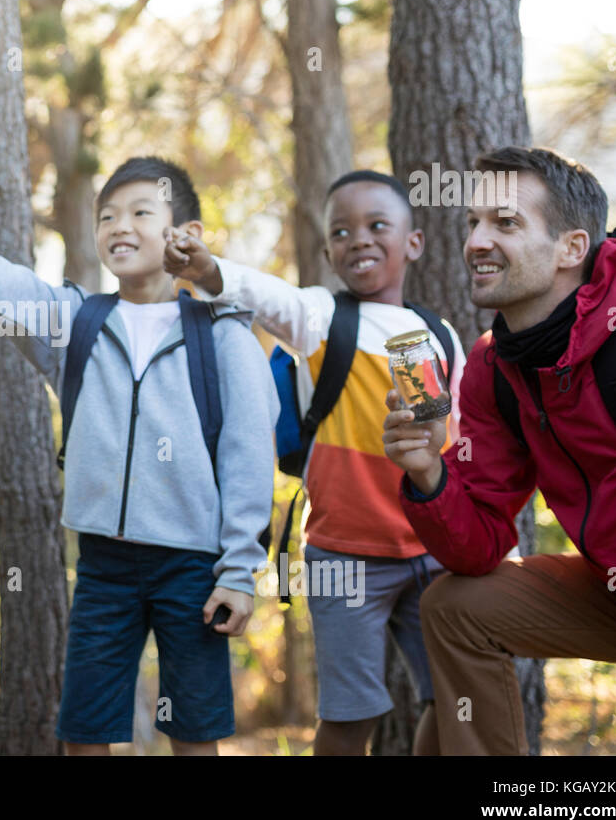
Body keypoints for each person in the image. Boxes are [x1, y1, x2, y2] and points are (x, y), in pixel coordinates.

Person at [0, 157, 277, 755]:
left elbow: (249, 456)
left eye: (142, 212)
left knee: (195, 733)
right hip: (103, 566)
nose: (121, 224)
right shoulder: (77, 322)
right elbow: (9, 285)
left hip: (193, 564)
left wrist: (240, 572)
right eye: (108, 215)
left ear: (184, 233)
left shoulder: (223, 334)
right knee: (84, 730)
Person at [165, 171, 465, 755]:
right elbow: (258, 293)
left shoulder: (440, 334)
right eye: (342, 231)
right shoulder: (320, 317)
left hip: (433, 550)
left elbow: (458, 443)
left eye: (379, 225)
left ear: (414, 242)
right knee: (352, 714)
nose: (360, 239)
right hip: (345, 553)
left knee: (453, 698)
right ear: (328, 248)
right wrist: (204, 268)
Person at [383, 146, 616, 755]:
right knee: (458, 607)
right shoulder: (493, 368)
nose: (477, 241)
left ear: (571, 247)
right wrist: (430, 475)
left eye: (505, 223)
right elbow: (478, 543)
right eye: (473, 223)